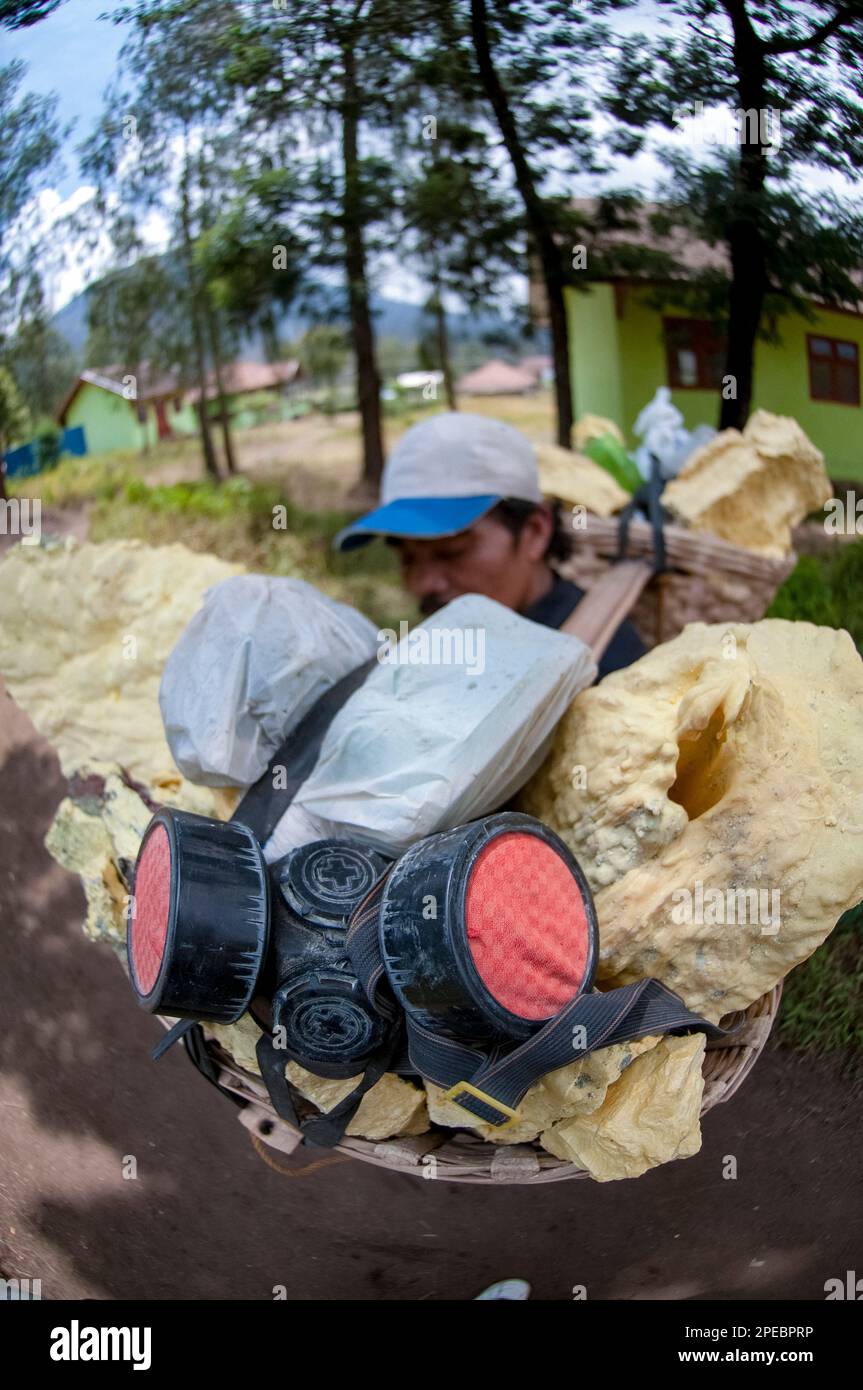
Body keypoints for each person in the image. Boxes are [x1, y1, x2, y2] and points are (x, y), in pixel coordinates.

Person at [334, 411, 645, 678]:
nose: (425, 584)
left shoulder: (602, 663)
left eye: (452, 553)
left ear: (535, 531)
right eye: (408, 559)